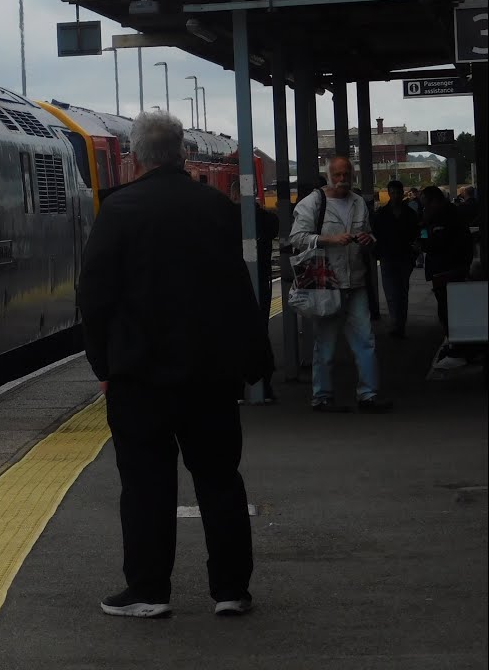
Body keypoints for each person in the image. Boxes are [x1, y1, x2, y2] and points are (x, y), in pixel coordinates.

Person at [78, 111, 269, 619]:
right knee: (219, 479)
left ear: (136, 156)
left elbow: (94, 296)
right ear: (182, 152)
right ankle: (231, 589)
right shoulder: (214, 208)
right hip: (209, 374)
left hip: (140, 377)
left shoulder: (118, 211)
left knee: (145, 485)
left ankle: (147, 590)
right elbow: (237, 288)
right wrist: (252, 358)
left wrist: (103, 363)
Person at [290, 156, 392, 413]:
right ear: (329, 175)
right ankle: (321, 397)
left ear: (353, 175)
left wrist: (369, 239)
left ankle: (368, 395)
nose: (342, 179)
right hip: (328, 284)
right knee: (325, 344)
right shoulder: (313, 203)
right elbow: (297, 238)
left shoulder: (359, 203)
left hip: (355, 283)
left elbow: (369, 232)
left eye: (347, 174)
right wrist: (330, 239)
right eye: (337, 175)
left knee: (366, 341)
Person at [226, 182, 281, 402]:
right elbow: (273, 228)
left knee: (235, 335)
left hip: (234, 284)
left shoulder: (228, 218)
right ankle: (263, 386)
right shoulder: (268, 219)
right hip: (262, 281)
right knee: (260, 333)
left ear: (235, 194)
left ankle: (239, 389)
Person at [418, 185, 474, 369]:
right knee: (447, 309)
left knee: (449, 310)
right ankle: (456, 345)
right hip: (446, 269)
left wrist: (424, 235)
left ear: (435, 201)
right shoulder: (444, 215)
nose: (424, 208)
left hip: (448, 269)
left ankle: (459, 350)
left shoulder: (446, 218)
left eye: (426, 204)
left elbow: (433, 243)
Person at [372, 180, 421, 338]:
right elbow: (375, 235)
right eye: (392, 193)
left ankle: (400, 323)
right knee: (392, 292)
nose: (395, 196)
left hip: (404, 256)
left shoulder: (410, 214)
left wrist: (416, 250)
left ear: (402, 193)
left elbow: (418, 233)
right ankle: (396, 323)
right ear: (389, 193)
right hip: (388, 256)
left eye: (397, 193)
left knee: (402, 291)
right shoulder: (381, 214)